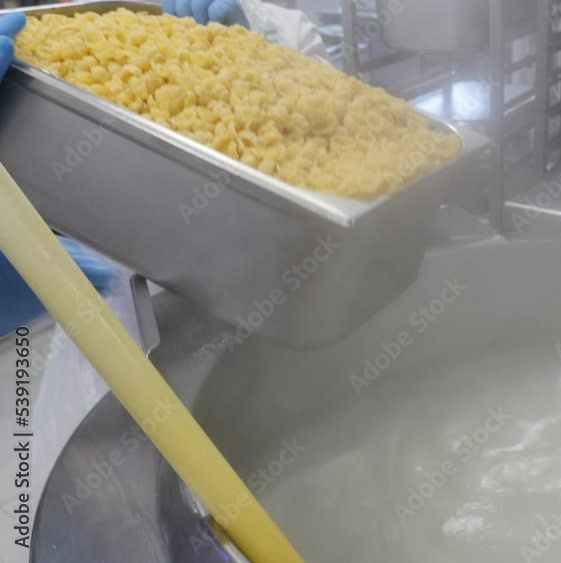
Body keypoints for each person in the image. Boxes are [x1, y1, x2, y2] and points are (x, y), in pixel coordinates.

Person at [0, 0, 325, 337]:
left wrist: (251, 57)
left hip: (260, 307)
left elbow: (329, 151)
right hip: (106, 324)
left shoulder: (283, 27)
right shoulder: (72, 35)